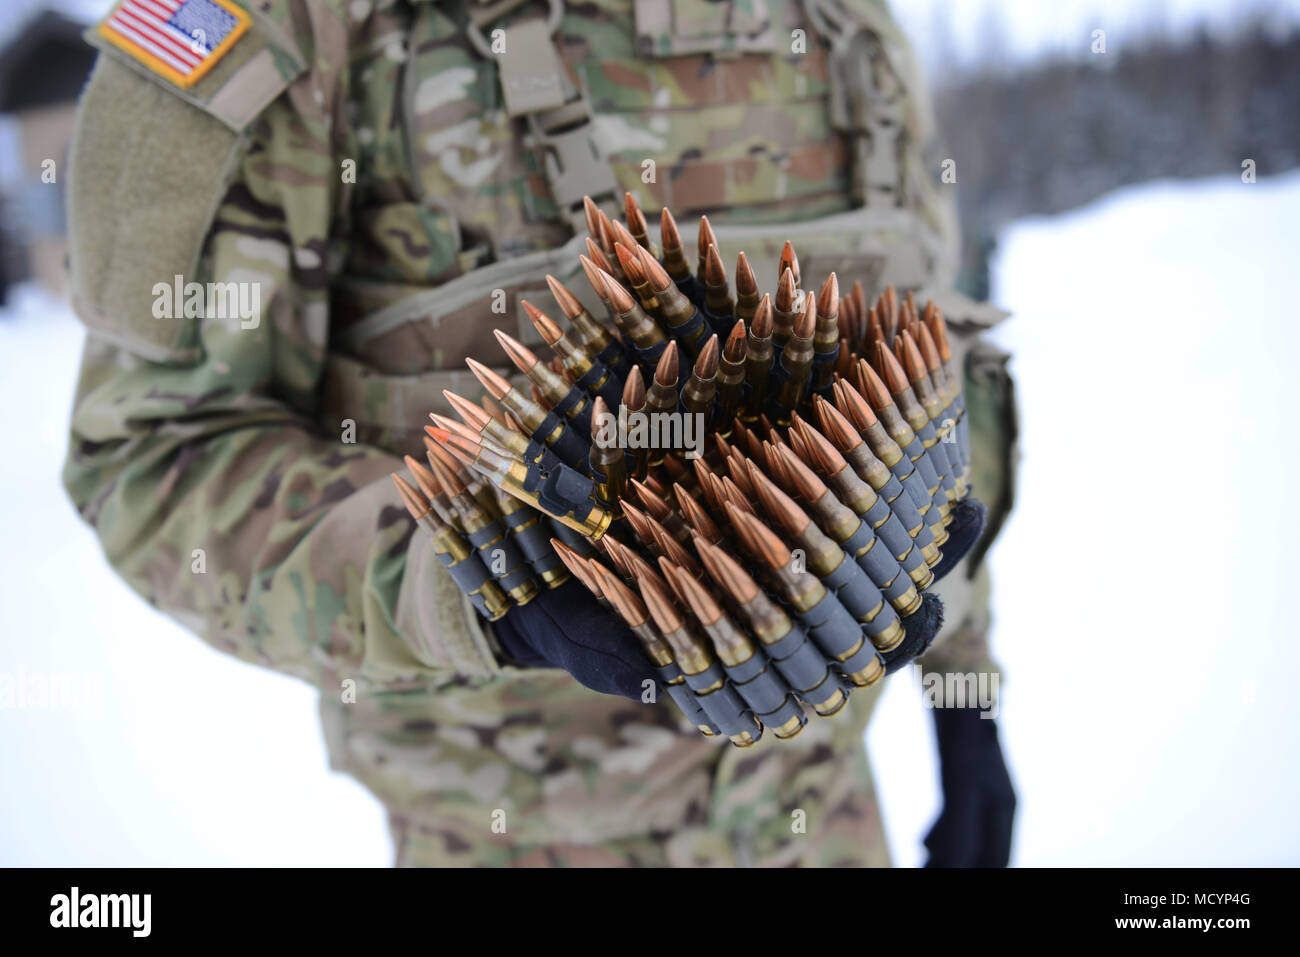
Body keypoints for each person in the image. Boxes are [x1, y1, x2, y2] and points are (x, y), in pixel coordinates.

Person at [63, 0, 1015, 866]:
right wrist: (471, 586)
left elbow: (929, 394)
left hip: (823, 816)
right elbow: (154, 451)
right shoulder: (307, 31)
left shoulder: (850, 30)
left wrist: (966, 706)